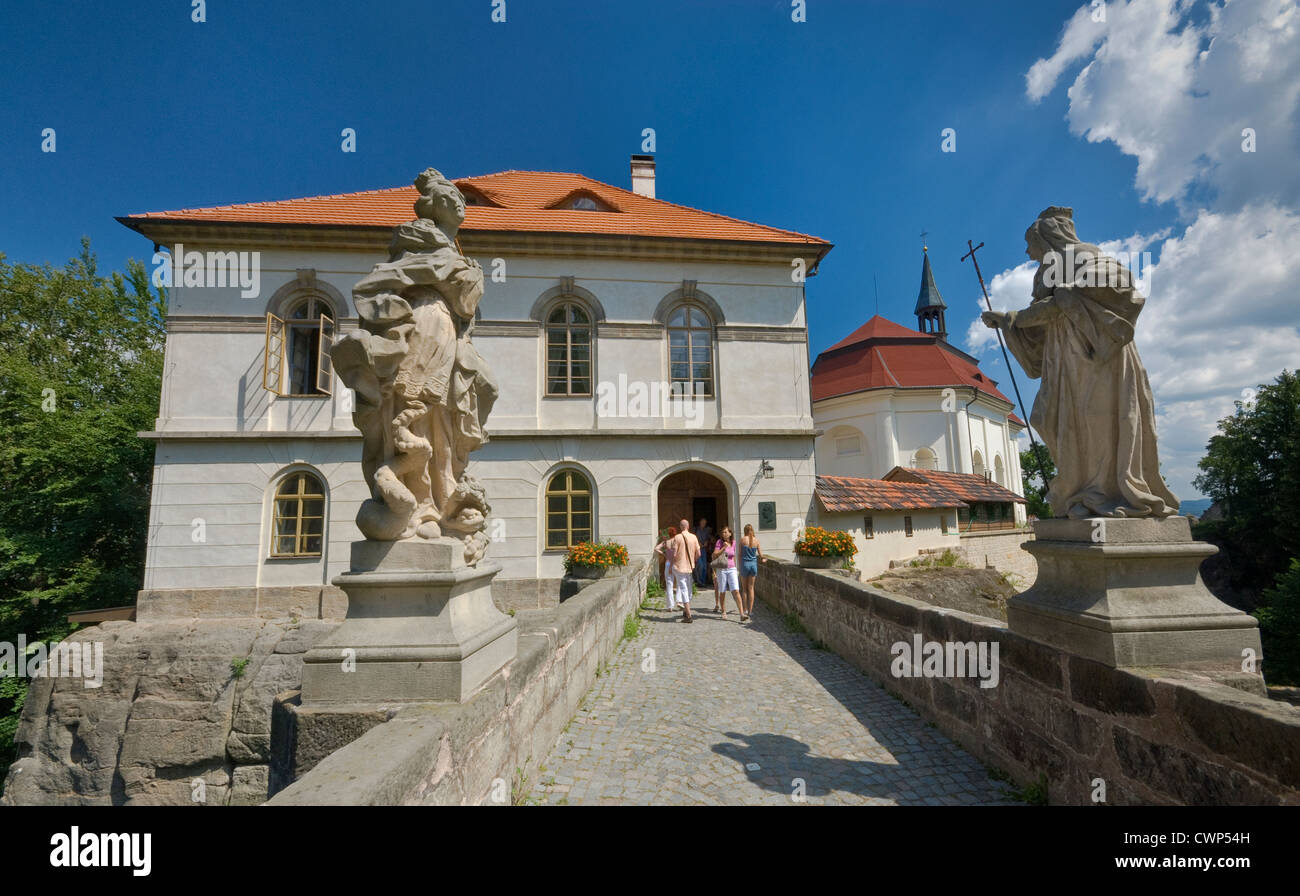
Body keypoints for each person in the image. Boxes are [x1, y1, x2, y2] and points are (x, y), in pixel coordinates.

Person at [981, 207, 1178, 519]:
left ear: (1047, 240)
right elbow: (1046, 313)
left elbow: (1120, 292)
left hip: (1097, 355)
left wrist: (1017, 316)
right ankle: (1078, 488)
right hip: (1062, 358)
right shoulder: (1048, 272)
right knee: (1048, 417)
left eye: (1031, 244)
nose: (1028, 252)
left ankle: (1102, 492)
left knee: (1097, 419)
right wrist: (1010, 322)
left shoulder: (1086, 258)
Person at [668, 519, 700, 622]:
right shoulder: (694, 537)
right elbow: (699, 554)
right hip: (690, 567)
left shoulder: (677, 537)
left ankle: (689, 615)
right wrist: (693, 560)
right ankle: (686, 612)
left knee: (683, 589)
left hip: (679, 567)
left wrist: (671, 565)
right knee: (688, 589)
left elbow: (674, 554)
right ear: (688, 526)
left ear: (681, 527)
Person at [711, 527, 743, 620]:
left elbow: (733, 556)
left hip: (732, 568)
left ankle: (741, 614)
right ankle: (723, 611)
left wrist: (736, 567)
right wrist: (724, 547)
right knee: (723, 591)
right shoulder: (719, 542)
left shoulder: (734, 542)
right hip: (722, 569)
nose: (724, 534)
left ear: (730, 533)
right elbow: (715, 554)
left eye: (726, 532)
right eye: (723, 532)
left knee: (736, 590)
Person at [738, 524, 763, 622]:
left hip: (745, 564)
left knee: (744, 589)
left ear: (745, 531)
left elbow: (739, 554)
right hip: (753, 565)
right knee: (751, 588)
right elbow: (761, 555)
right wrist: (763, 559)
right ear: (752, 530)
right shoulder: (756, 540)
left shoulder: (742, 540)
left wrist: (740, 566)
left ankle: (744, 609)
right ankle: (751, 611)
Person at [653, 526, 678, 611]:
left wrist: (664, 554)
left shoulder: (665, 542)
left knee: (669, 585)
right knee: (679, 584)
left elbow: (656, 549)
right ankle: (680, 602)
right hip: (676, 564)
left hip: (668, 564)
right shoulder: (676, 541)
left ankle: (670, 606)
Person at [694, 517, 714, 588]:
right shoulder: (696, 529)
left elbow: (709, 538)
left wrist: (706, 542)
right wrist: (698, 543)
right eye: (702, 522)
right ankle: (698, 581)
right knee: (700, 565)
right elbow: (694, 537)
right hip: (697, 549)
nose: (703, 524)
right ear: (700, 522)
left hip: (704, 550)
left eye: (705, 523)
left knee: (705, 567)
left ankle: (702, 582)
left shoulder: (706, 530)